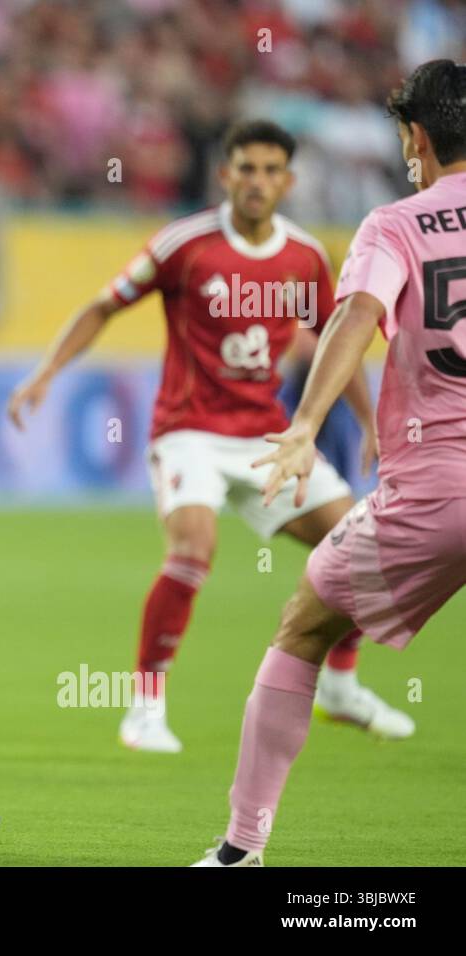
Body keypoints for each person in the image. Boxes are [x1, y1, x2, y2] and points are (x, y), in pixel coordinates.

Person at [7, 120, 413, 752]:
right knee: (193, 547)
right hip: (188, 430)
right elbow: (104, 305)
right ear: (225, 175)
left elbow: (340, 337)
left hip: (264, 437)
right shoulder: (186, 244)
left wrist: (366, 420)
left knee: (361, 546)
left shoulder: (304, 255)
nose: (256, 181)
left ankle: (339, 684)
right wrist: (46, 372)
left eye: (270, 170)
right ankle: (144, 708)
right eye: (245, 168)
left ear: (288, 180)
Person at [195, 59, 466, 866]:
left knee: (304, 627)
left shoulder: (397, 224)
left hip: (436, 490)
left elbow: (355, 318)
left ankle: (242, 846)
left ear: (415, 138)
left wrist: (305, 421)